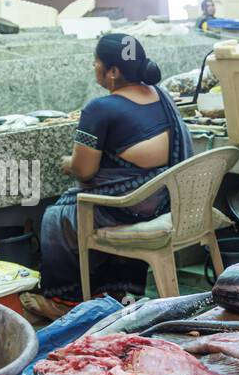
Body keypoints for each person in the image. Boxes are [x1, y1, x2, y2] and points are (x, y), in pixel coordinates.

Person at [22, 34, 192, 319]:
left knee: (59, 215)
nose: (94, 66)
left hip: (135, 208)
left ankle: (64, 301)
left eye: (97, 62)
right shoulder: (160, 95)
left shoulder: (100, 109)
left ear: (113, 71)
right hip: (168, 198)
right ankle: (113, 291)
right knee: (90, 204)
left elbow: (84, 170)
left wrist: (69, 163)